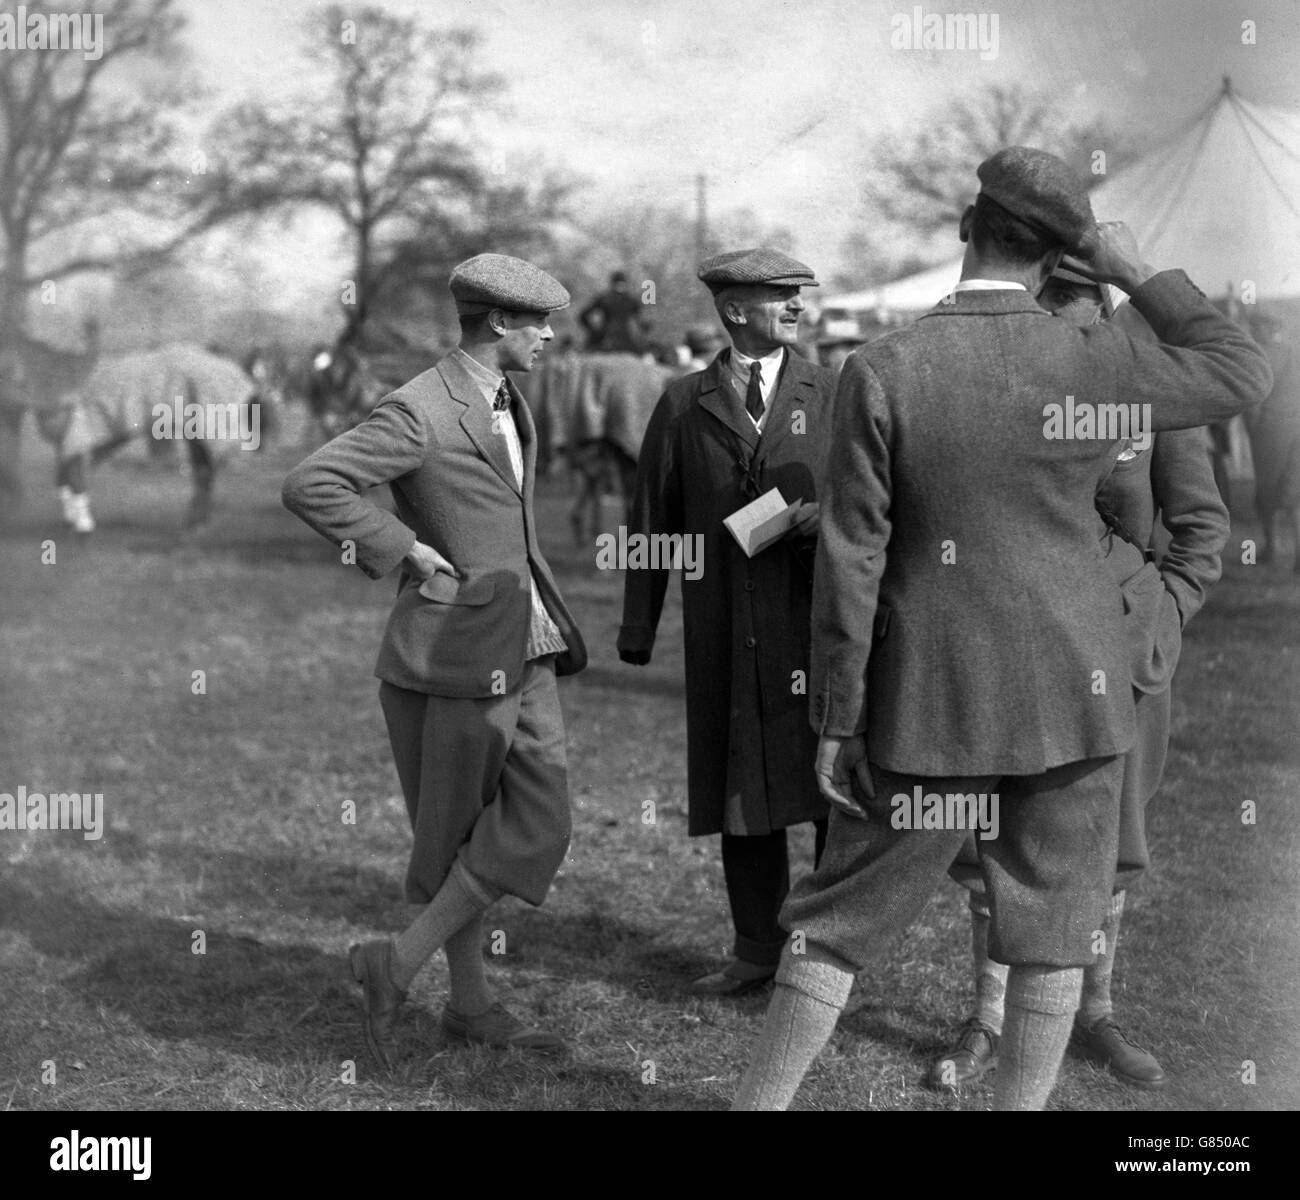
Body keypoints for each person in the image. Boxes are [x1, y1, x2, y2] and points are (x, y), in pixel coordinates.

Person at [731, 147, 1272, 1111]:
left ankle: (758, 1107)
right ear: (1068, 256)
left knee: (840, 920)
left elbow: (853, 557)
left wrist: (839, 716)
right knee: (1056, 924)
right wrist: (1137, 270)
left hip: (925, 700)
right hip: (1078, 697)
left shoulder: (881, 368)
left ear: (964, 232)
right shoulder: (1096, 355)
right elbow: (1239, 368)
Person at [928, 263, 1230, 1093]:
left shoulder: (1147, 378)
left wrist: (1165, 614)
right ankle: (988, 1017)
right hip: (1007, 646)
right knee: (992, 832)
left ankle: (1094, 1013)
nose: (1064, 319)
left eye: (1080, 301)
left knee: (1113, 841)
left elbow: (1200, 521)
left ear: (1105, 301)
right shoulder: (990, 376)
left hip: (1121, 654)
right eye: (1048, 303)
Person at [282, 253, 587, 1069]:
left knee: (542, 815)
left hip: (530, 640)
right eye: (539, 322)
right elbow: (314, 483)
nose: (552, 335)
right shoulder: (419, 408)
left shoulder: (506, 398)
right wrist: (406, 550)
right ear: (497, 325)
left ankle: (398, 961)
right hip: (451, 651)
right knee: (452, 832)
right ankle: (470, 1005)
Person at [619, 249, 834, 996]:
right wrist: (638, 624)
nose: (796, 307)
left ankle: (829, 955)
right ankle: (756, 949)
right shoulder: (683, 403)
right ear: (734, 310)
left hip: (815, 626)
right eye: (779, 297)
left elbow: (878, 504)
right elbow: (653, 517)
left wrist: (818, 522)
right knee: (744, 790)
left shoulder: (834, 391)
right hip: (723, 630)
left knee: (830, 787)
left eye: (797, 296)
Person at [1242, 310, 1300, 570]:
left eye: (1256, 327)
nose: (1253, 332)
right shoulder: (1292, 349)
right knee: (1293, 489)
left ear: (1267, 327)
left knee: (1269, 491)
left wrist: (1253, 427)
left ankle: (1272, 548)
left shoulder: (1263, 354)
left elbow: (1255, 394)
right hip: (1294, 426)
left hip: (1272, 430)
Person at [579, 270, 648, 354]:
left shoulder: (604, 298)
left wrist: (593, 330)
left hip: (604, 338)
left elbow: (583, 315)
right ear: (625, 283)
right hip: (626, 340)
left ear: (612, 283)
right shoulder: (631, 300)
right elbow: (642, 324)